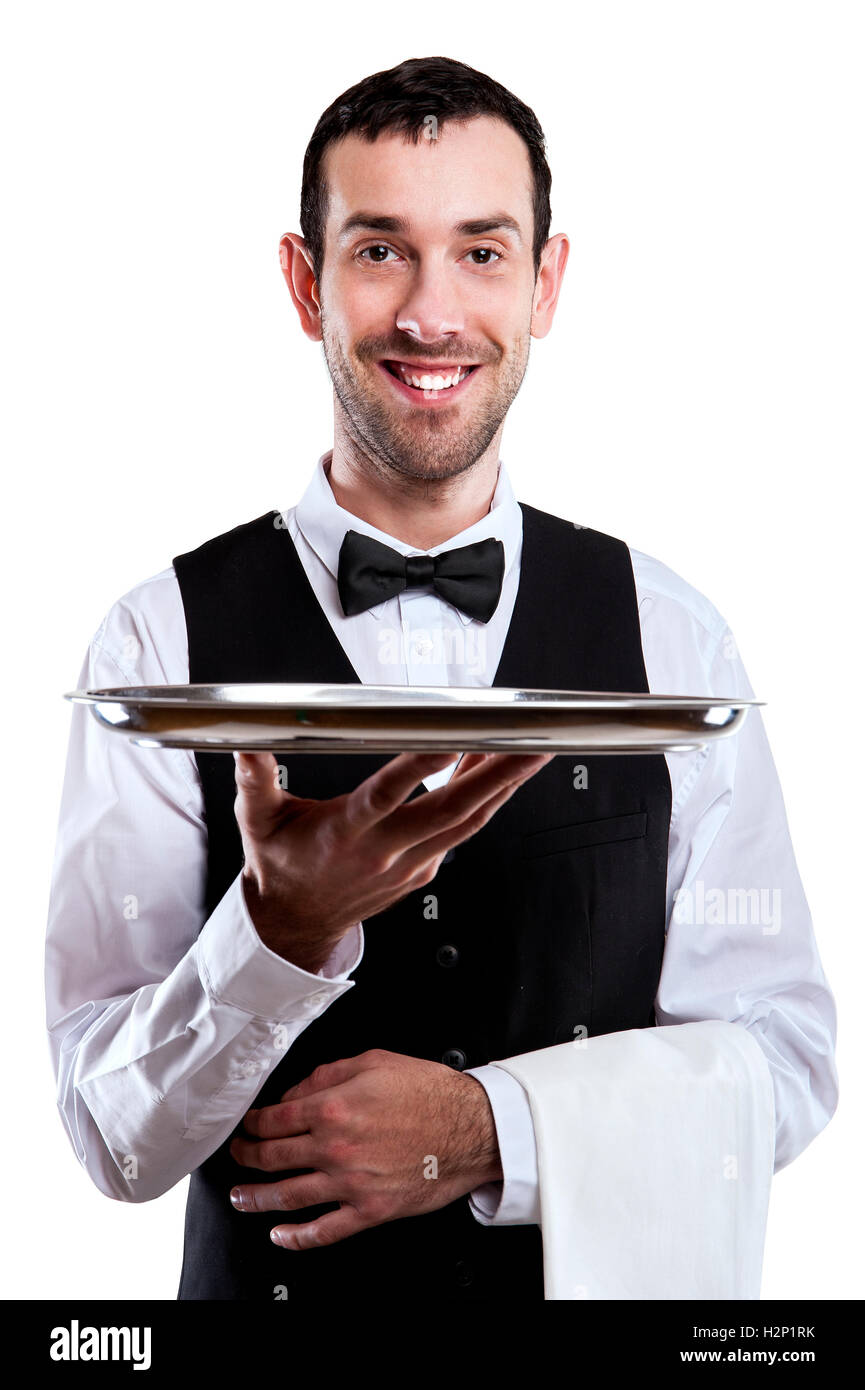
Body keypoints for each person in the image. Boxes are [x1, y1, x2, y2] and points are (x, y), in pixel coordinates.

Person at [45, 55, 837, 1301]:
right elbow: (108, 1139)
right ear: (306, 286)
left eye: (480, 251)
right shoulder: (154, 647)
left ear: (545, 282)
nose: (431, 313)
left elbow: (784, 1062)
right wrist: (275, 932)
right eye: (379, 251)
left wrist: (488, 1128)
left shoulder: (677, 639)